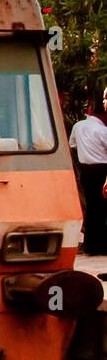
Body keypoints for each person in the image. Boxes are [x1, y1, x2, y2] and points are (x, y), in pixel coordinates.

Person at [68, 90, 107, 256]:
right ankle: (101, 244)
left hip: (85, 169)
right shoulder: (102, 130)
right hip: (102, 170)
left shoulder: (78, 126)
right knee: (103, 208)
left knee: (91, 207)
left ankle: (90, 245)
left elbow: (72, 145)